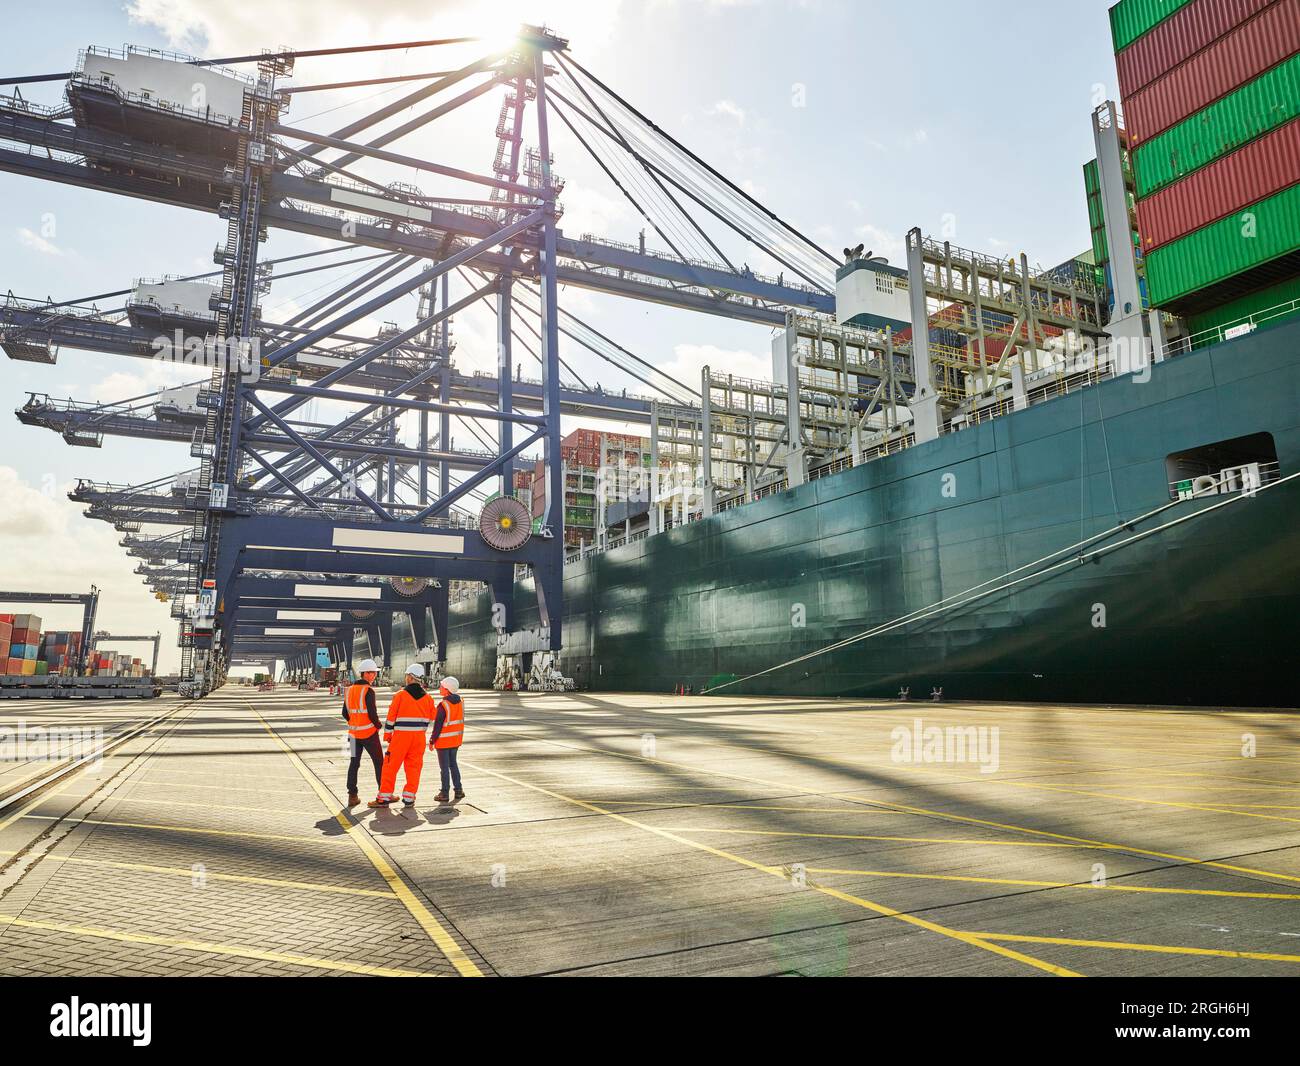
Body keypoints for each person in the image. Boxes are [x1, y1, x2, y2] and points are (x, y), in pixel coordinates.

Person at [369, 664, 436, 809]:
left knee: (390, 766)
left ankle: (384, 798)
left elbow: (391, 717)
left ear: (411, 677)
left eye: (407, 676)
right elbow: (433, 716)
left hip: (400, 738)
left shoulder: (400, 695)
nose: (405, 678)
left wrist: (387, 734)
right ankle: (409, 798)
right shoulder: (428, 698)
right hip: (418, 739)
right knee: (414, 768)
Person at [342, 659, 383, 807]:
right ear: (365, 674)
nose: (374, 676)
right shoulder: (368, 691)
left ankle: (352, 796)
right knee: (379, 763)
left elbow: (344, 713)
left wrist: (354, 721)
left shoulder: (349, 690)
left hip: (352, 734)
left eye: (374, 673)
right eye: (372, 673)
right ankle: (383, 794)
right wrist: (378, 725)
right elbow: (372, 713)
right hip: (369, 734)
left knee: (354, 764)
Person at [429, 676, 465, 803]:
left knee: (444, 768)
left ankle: (444, 793)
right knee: (453, 765)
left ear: (447, 690)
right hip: (455, 740)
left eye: (441, 687)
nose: (439, 688)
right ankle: (459, 790)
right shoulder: (461, 701)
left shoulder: (443, 705)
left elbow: (437, 726)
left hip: (443, 742)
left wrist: (432, 740)